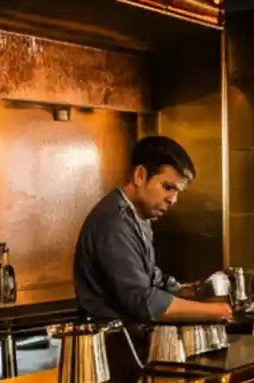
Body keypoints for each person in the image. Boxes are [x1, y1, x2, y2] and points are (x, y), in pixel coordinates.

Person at [73, 136, 232, 324]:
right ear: (140, 175)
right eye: (167, 187)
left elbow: (152, 280)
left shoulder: (139, 216)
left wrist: (195, 290)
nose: (172, 200)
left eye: (177, 192)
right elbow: (141, 301)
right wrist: (217, 311)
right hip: (112, 336)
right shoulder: (114, 222)